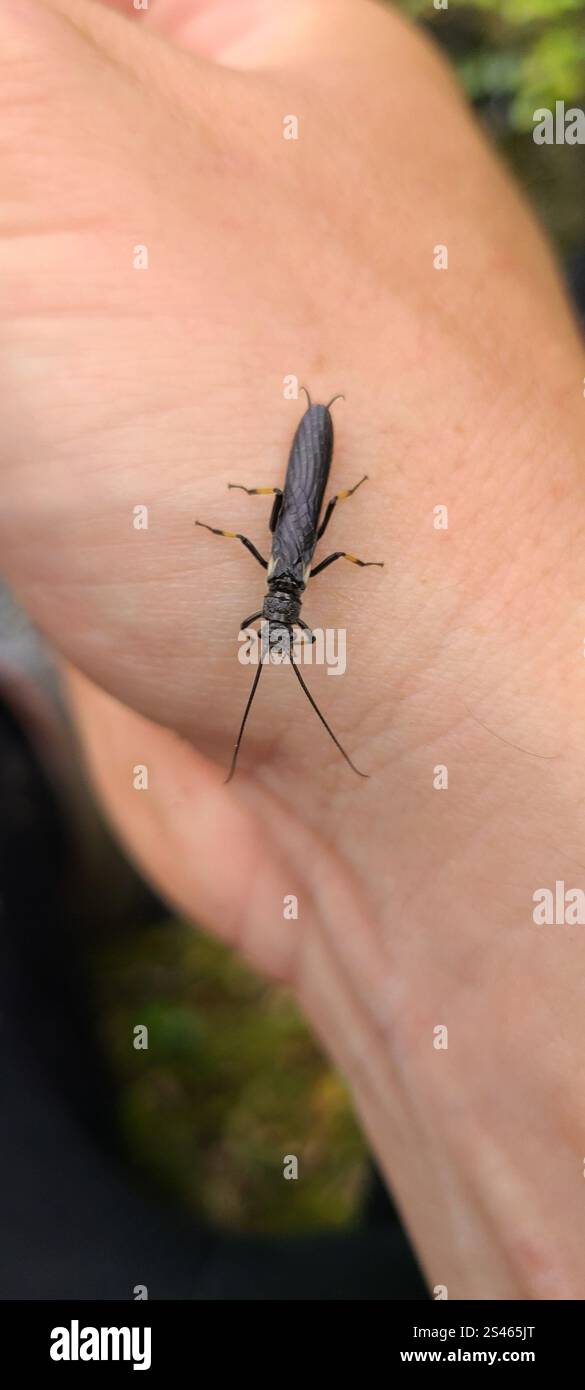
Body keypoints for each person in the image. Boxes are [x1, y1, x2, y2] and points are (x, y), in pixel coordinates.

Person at [1, 0, 584, 1299]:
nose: (275, 615)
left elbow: (295, 523)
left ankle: (27, 774)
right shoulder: (289, 566)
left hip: (307, 454)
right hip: (306, 459)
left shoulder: (288, 559)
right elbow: (295, 534)